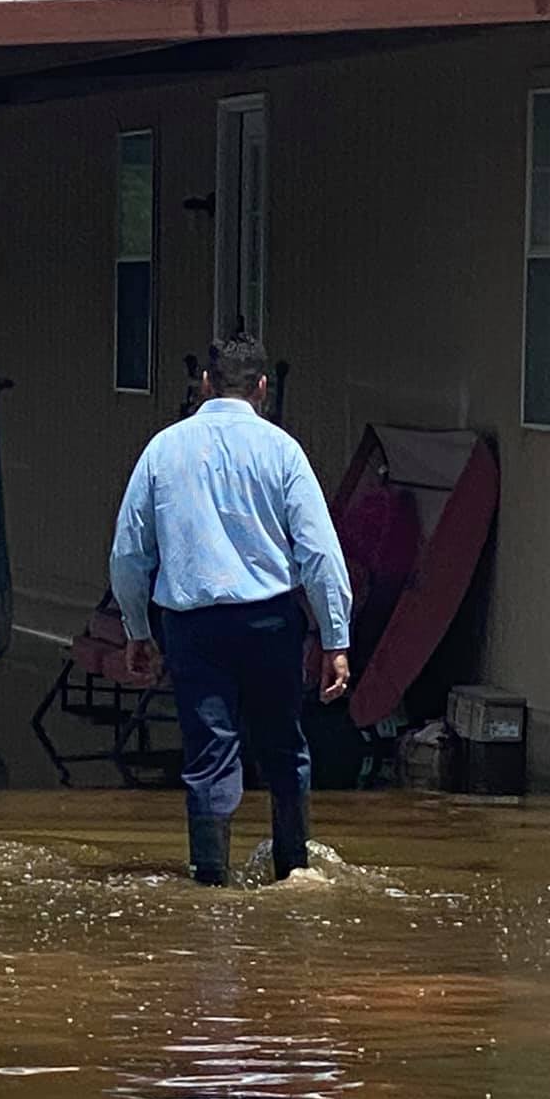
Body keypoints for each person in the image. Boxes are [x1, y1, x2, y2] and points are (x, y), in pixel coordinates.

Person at [108, 334, 352, 887]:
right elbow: (319, 552)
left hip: (193, 626)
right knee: (284, 746)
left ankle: (210, 880)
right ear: (262, 387)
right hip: (271, 621)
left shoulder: (163, 450)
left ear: (204, 384)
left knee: (209, 752)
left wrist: (137, 630)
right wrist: (336, 638)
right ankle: (294, 869)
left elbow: (128, 553)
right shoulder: (283, 451)